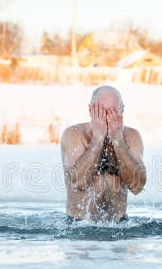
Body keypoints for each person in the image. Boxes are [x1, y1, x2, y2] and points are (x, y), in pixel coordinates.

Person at [61, 85, 146, 222]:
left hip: (119, 225)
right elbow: (78, 182)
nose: (107, 118)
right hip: (79, 225)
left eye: (113, 112)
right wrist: (97, 138)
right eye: (100, 112)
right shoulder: (74, 134)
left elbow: (137, 186)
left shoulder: (131, 136)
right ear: (90, 110)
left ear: (122, 110)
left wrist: (118, 140)